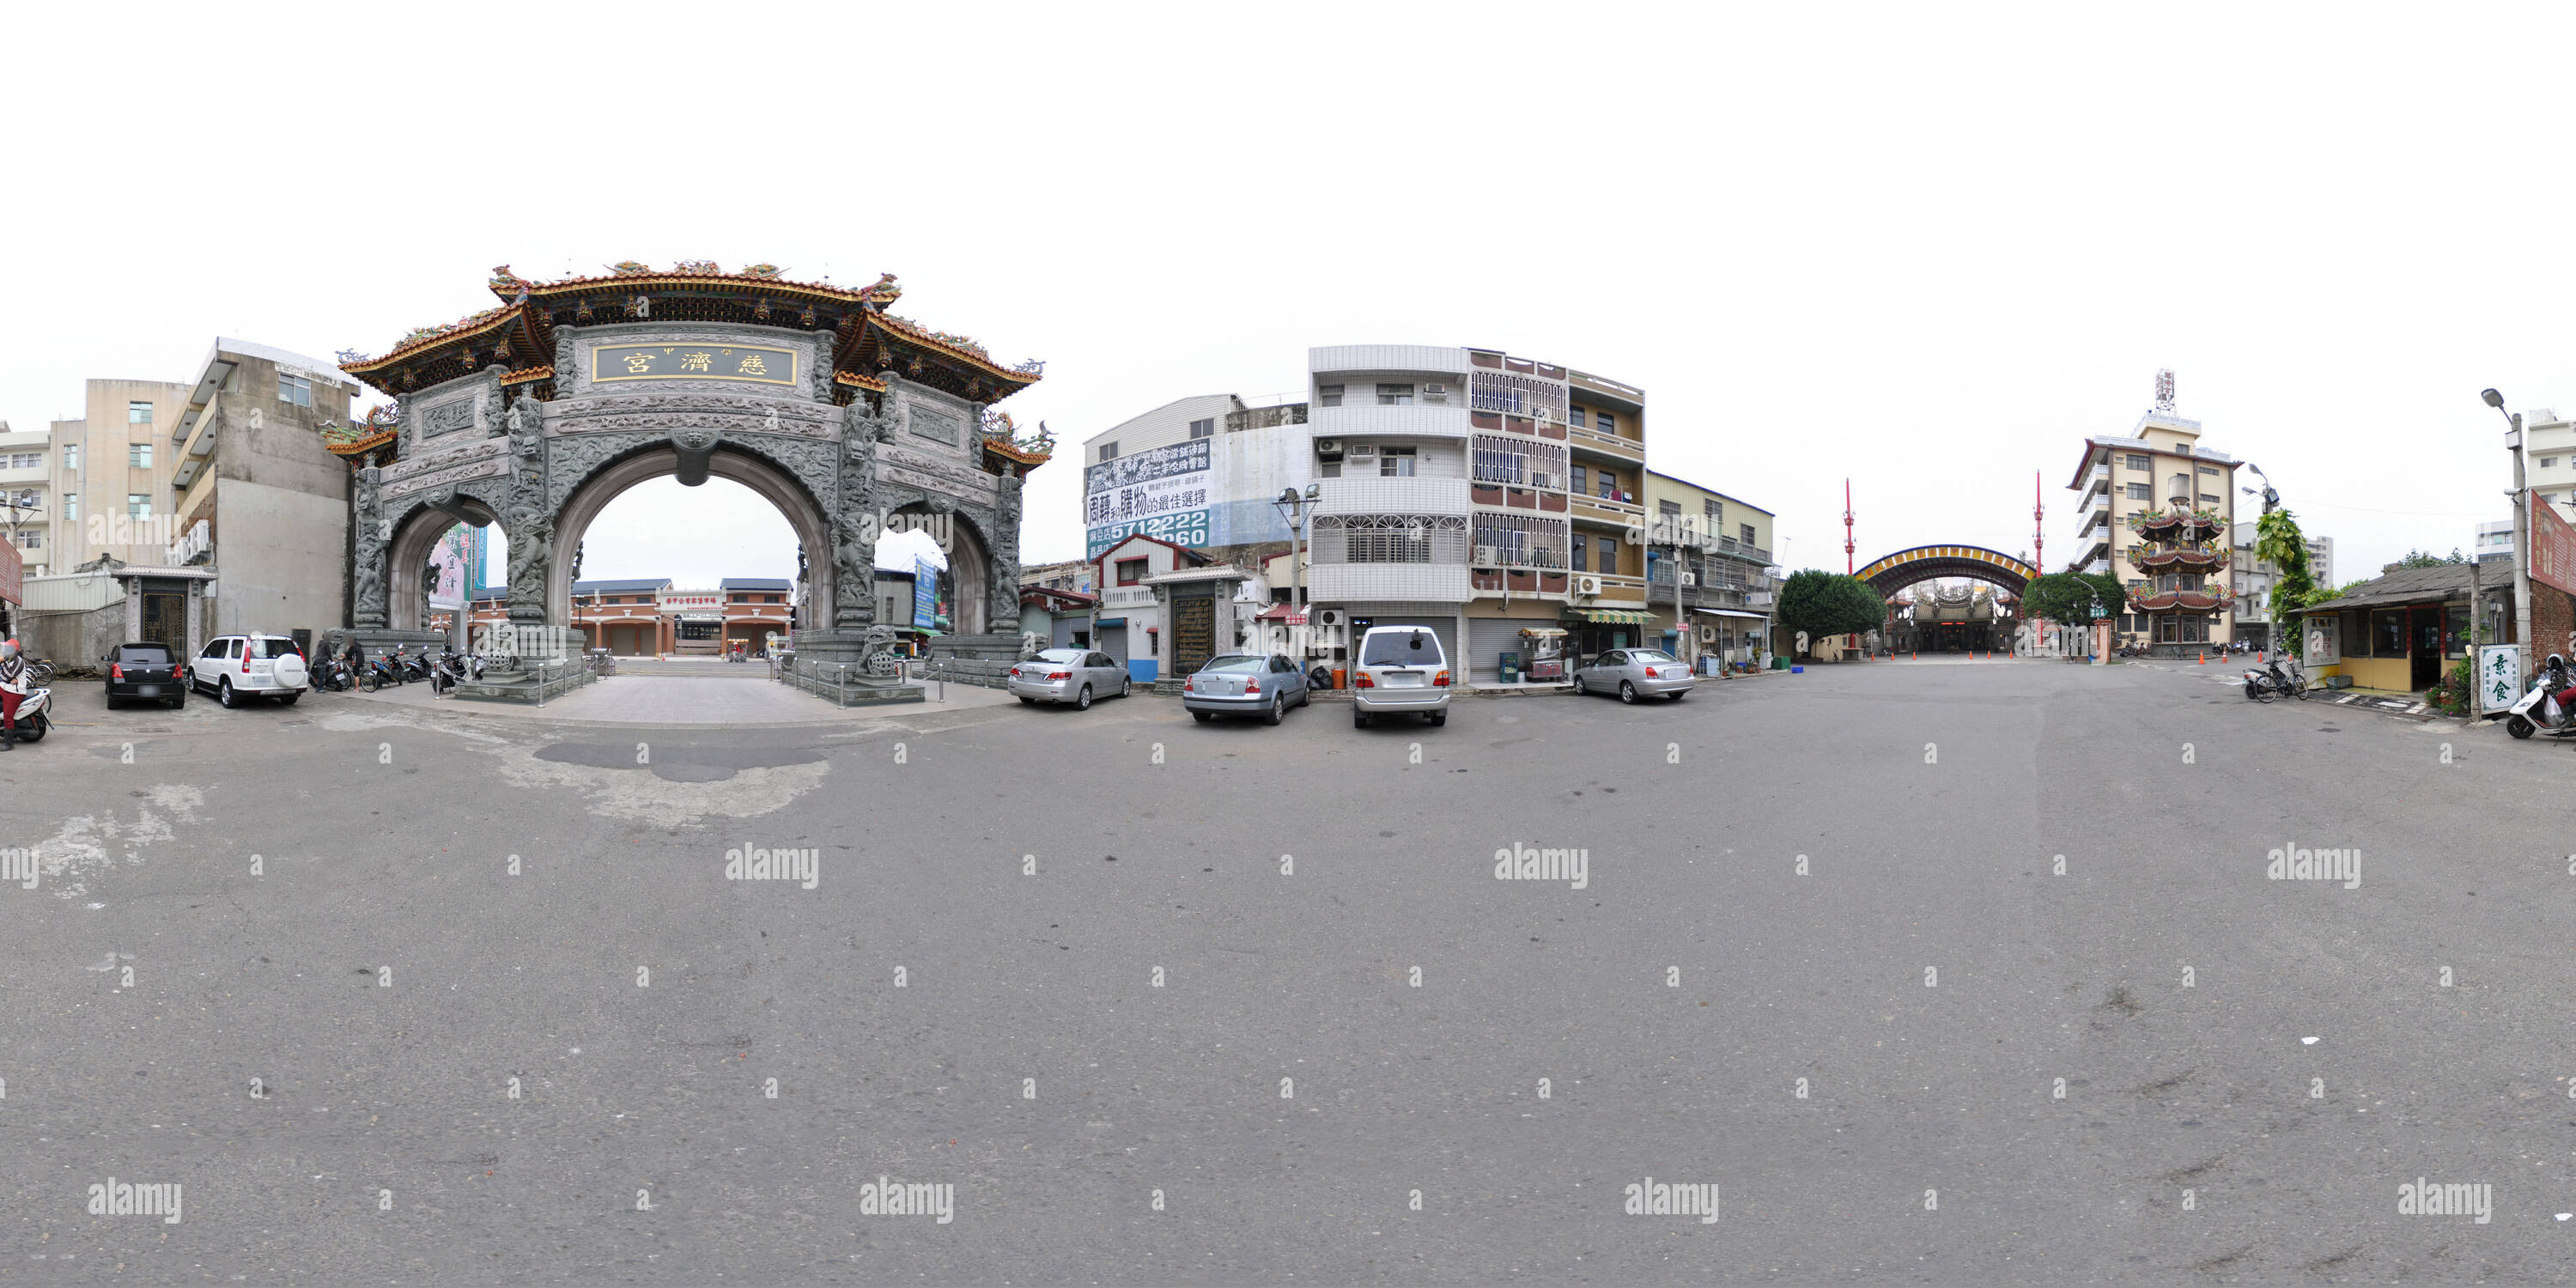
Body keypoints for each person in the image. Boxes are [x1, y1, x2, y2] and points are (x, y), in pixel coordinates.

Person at [0, 639, 24, 750]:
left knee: (8, 717)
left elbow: (8, 676)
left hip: (15, 692)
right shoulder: (8, 660)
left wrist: (2, 663)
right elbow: (4, 677)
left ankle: (9, 744)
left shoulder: (19, 661)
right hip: (5, 687)